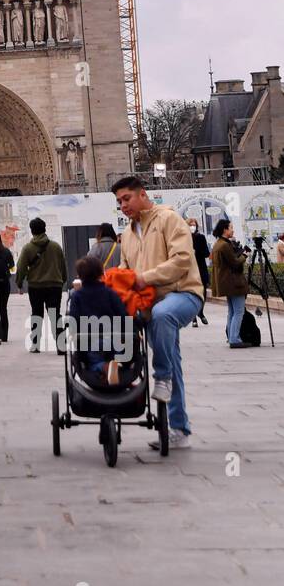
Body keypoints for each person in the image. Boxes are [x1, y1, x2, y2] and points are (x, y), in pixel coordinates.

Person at [113, 175, 202, 450]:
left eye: (126, 198)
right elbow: (126, 273)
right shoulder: (127, 234)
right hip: (150, 304)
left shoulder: (168, 219)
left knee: (163, 317)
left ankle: (160, 377)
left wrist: (145, 278)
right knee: (171, 357)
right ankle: (179, 430)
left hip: (183, 294)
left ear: (142, 194)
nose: (123, 205)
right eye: (118, 202)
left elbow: (182, 261)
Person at [66, 255, 129, 386]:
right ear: (101, 273)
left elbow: (73, 320)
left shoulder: (77, 296)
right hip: (114, 339)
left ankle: (104, 368)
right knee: (118, 354)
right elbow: (123, 315)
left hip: (91, 341)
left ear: (79, 276)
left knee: (93, 362)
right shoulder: (110, 293)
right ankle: (117, 367)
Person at [15, 218, 67, 354]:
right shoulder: (56, 247)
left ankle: (36, 344)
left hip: (35, 286)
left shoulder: (28, 248)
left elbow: (21, 267)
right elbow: (63, 266)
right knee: (55, 314)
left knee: (37, 314)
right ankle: (61, 346)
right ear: (45, 229)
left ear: (31, 231)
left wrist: (19, 283)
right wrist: (63, 281)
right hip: (54, 286)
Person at [210, 218, 250, 348]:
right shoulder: (224, 245)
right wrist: (244, 255)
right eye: (231, 228)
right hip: (234, 283)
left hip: (226, 282)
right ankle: (234, 339)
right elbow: (234, 263)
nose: (232, 230)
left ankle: (232, 337)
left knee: (232, 312)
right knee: (238, 311)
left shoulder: (218, 244)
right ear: (225, 230)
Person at [186, 219, 211, 327]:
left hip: (201, 268)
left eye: (194, 225)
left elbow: (206, 253)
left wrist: (198, 251)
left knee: (203, 292)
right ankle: (193, 317)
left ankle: (200, 312)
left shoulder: (201, 237)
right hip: (189, 269)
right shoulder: (183, 238)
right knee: (191, 293)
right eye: (190, 225)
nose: (192, 227)